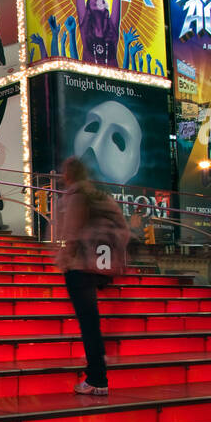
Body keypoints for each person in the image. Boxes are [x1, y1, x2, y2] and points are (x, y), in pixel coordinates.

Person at [54, 157, 129, 396]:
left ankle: (96, 377)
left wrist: (64, 259)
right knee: (92, 322)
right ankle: (99, 370)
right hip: (103, 265)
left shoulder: (77, 196)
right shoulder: (99, 195)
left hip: (81, 267)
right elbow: (123, 227)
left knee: (89, 324)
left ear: (69, 174)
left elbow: (72, 233)